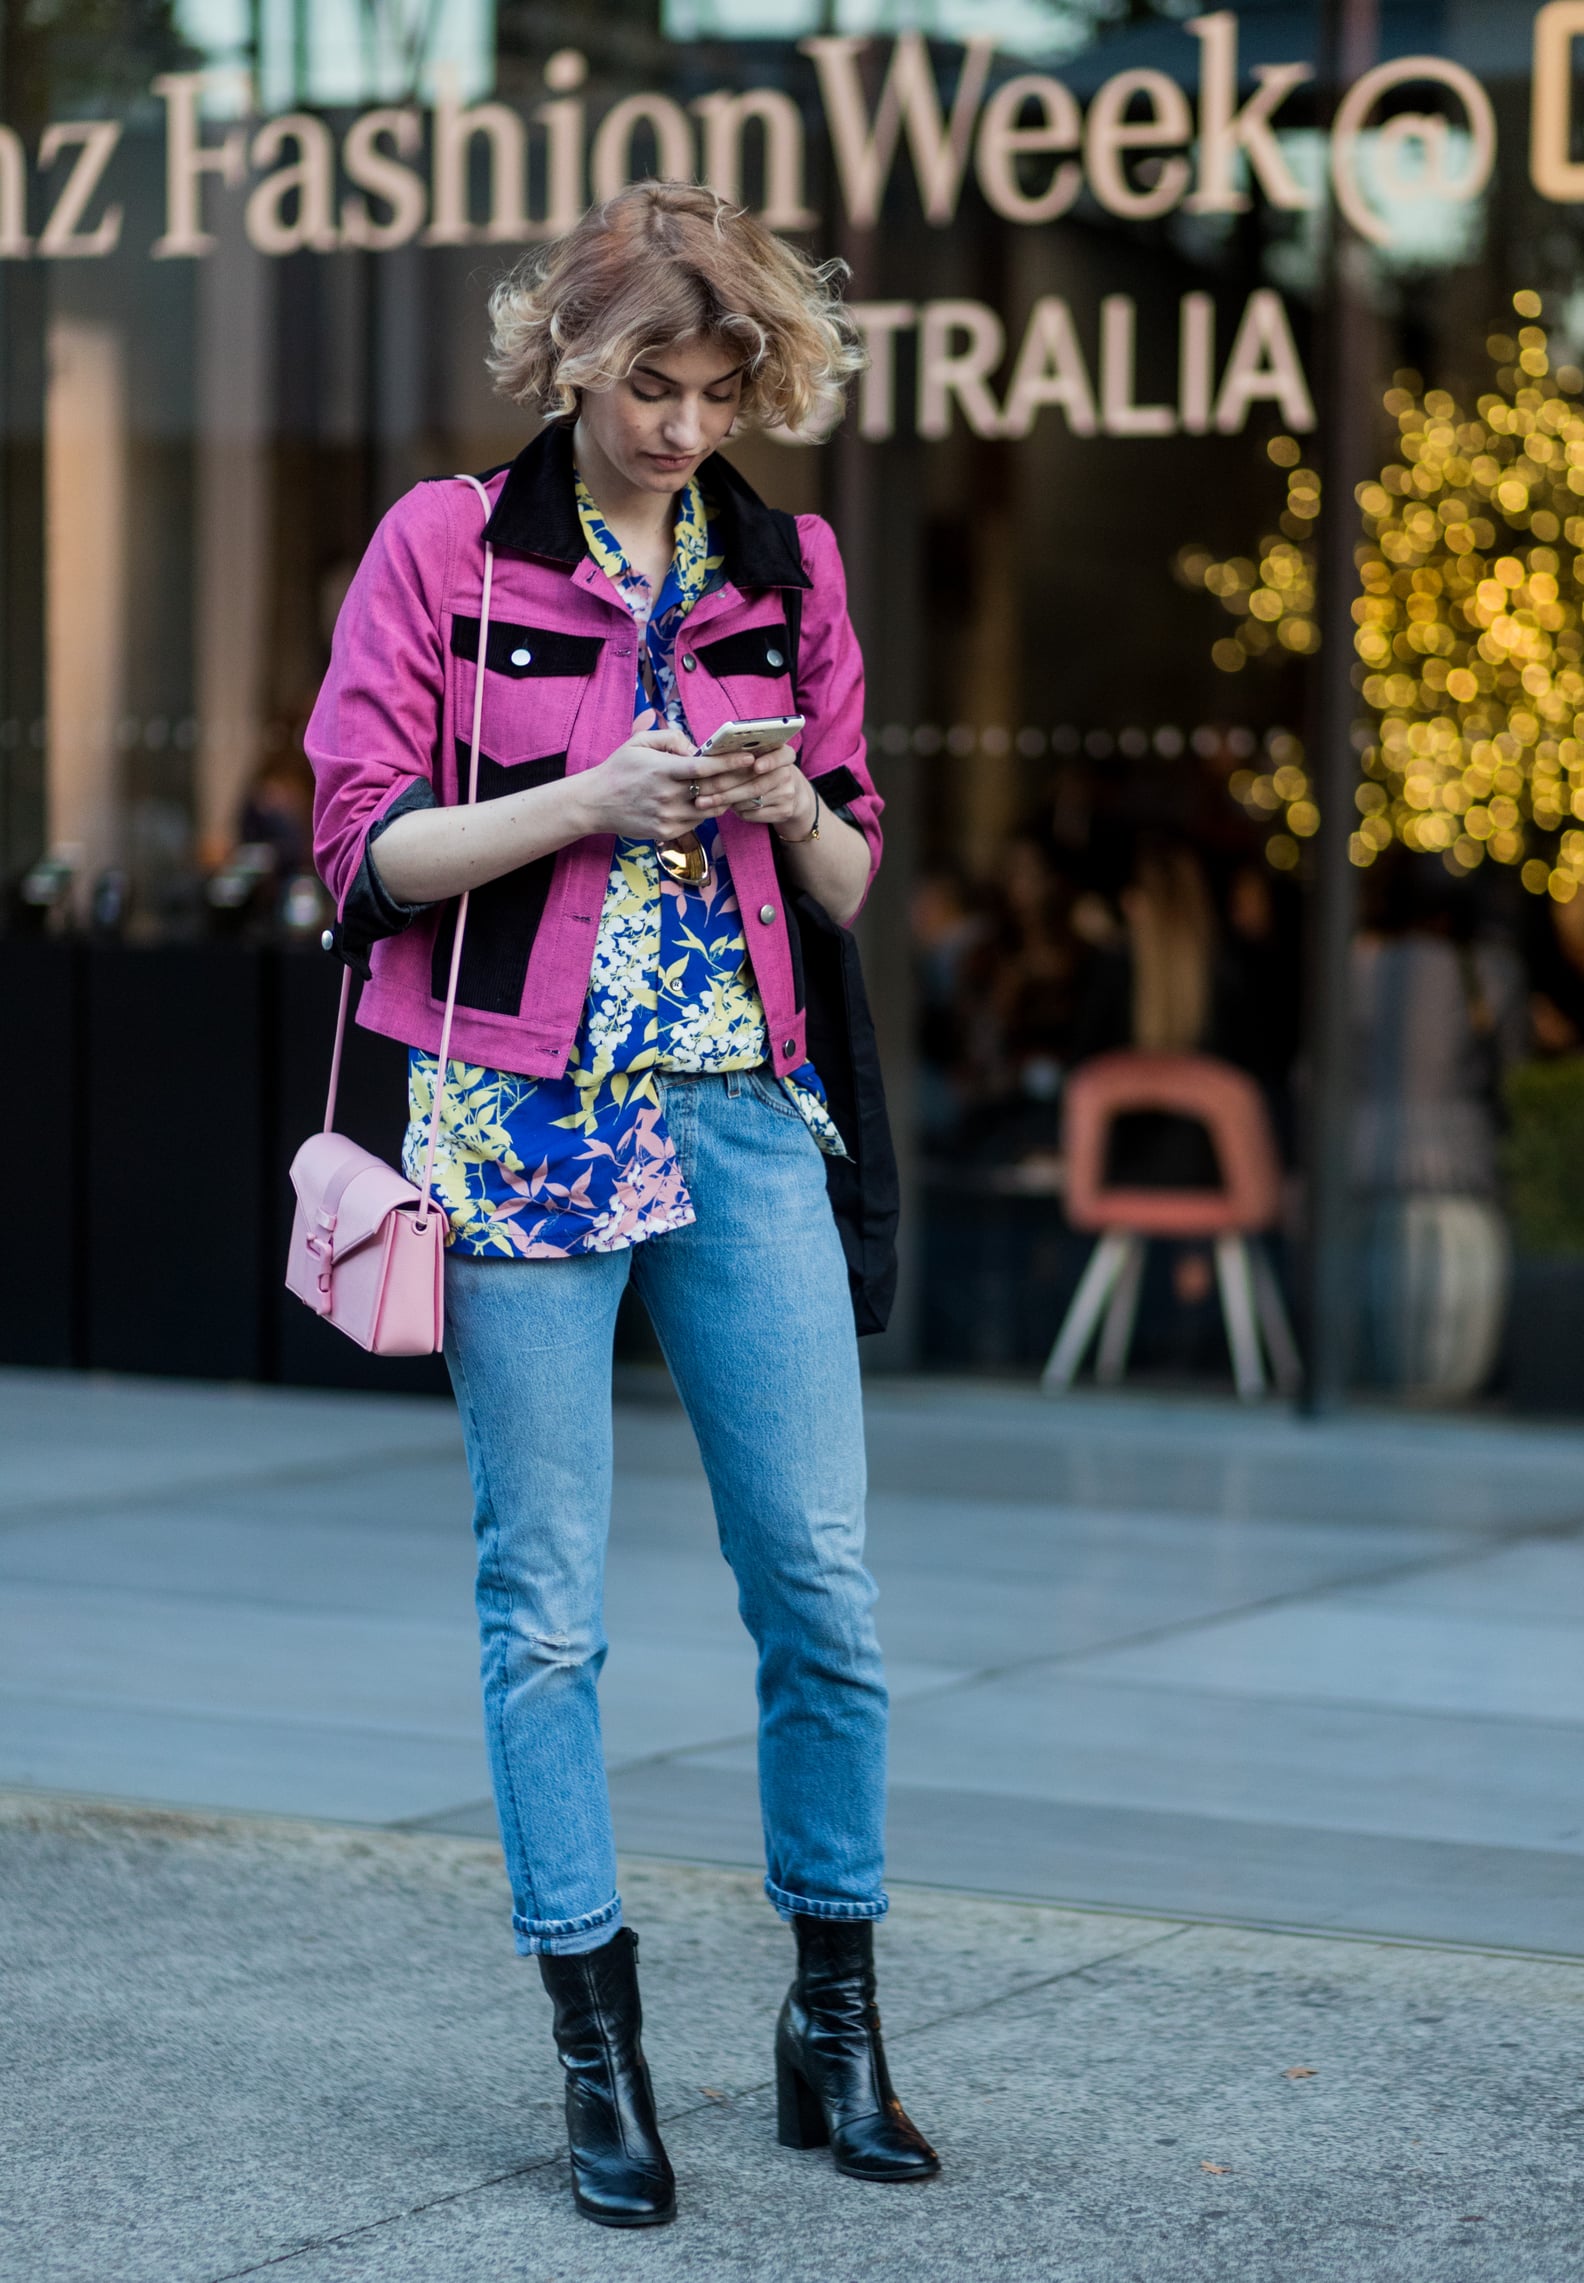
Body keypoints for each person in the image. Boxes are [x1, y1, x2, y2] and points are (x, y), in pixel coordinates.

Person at [304, 182, 936, 2228]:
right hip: (518, 1114)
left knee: (823, 1588)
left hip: (745, 1109)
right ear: (567, 357)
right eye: (650, 381)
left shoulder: (788, 561)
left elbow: (854, 887)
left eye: (719, 386)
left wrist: (785, 803)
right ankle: (599, 2043)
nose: (683, 424)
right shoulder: (448, 549)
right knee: (547, 1607)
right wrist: (593, 799)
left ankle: (832, 2016)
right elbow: (361, 854)